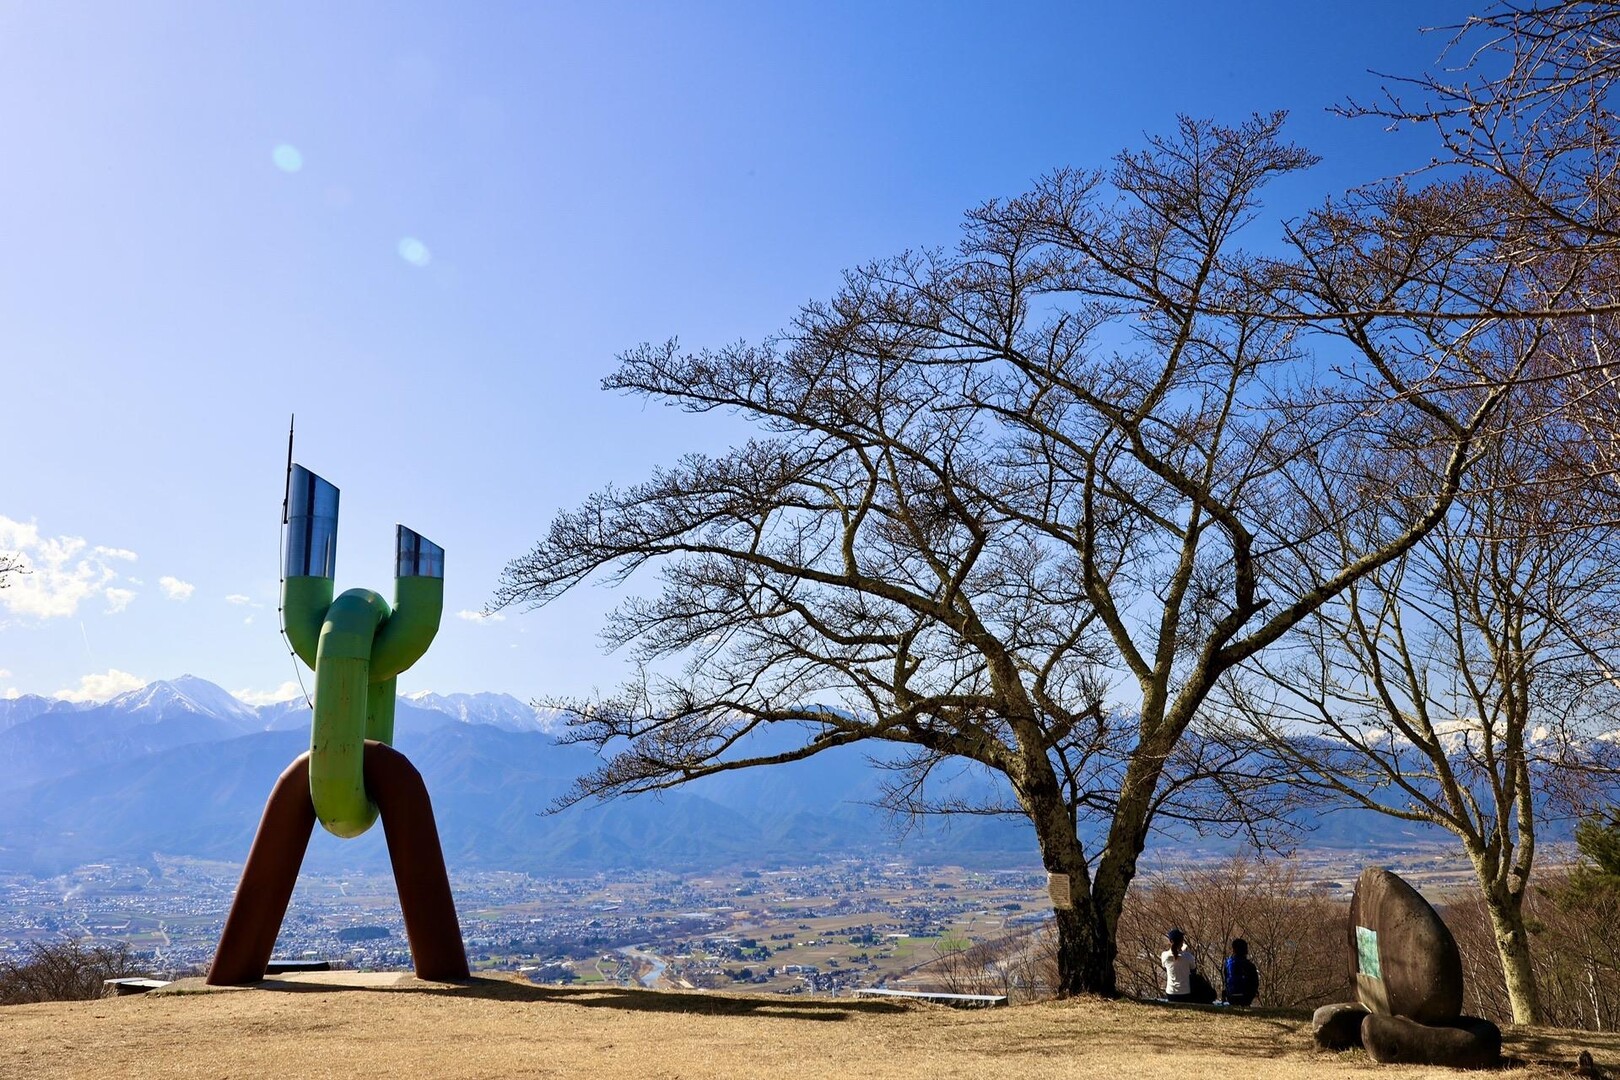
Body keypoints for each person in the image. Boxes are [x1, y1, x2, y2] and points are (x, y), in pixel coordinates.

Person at [1161, 928, 1195, 1002]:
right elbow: (1193, 969)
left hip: (1171, 992)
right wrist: (1184, 951)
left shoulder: (1164, 956)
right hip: (1185, 992)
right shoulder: (1188, 956)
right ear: (1182, 942)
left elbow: (1166, 965)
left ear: (1170, 941)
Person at [1223, 938, 1260, 1006]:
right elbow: (1255, 983)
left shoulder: (1227, 964)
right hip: (1246, 998)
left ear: (1233, 950)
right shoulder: (1250, 966)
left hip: (1231, 997)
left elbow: (1226, 979)